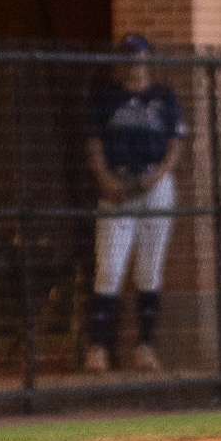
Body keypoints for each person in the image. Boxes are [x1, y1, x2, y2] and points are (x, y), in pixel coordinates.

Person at [85, 33, 185, 374]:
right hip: (118, 184)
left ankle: (145, 348)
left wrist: (155, 177)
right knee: (110, 268)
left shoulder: (163, 97)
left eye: (138, 56)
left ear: (147, 59)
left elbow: (175, 144)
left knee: (149, 269)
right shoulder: (107, 98)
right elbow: (94, 143)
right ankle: (97, 348)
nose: (132, 63)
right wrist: (106, 180)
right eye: (127, 57)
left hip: (154, 183)